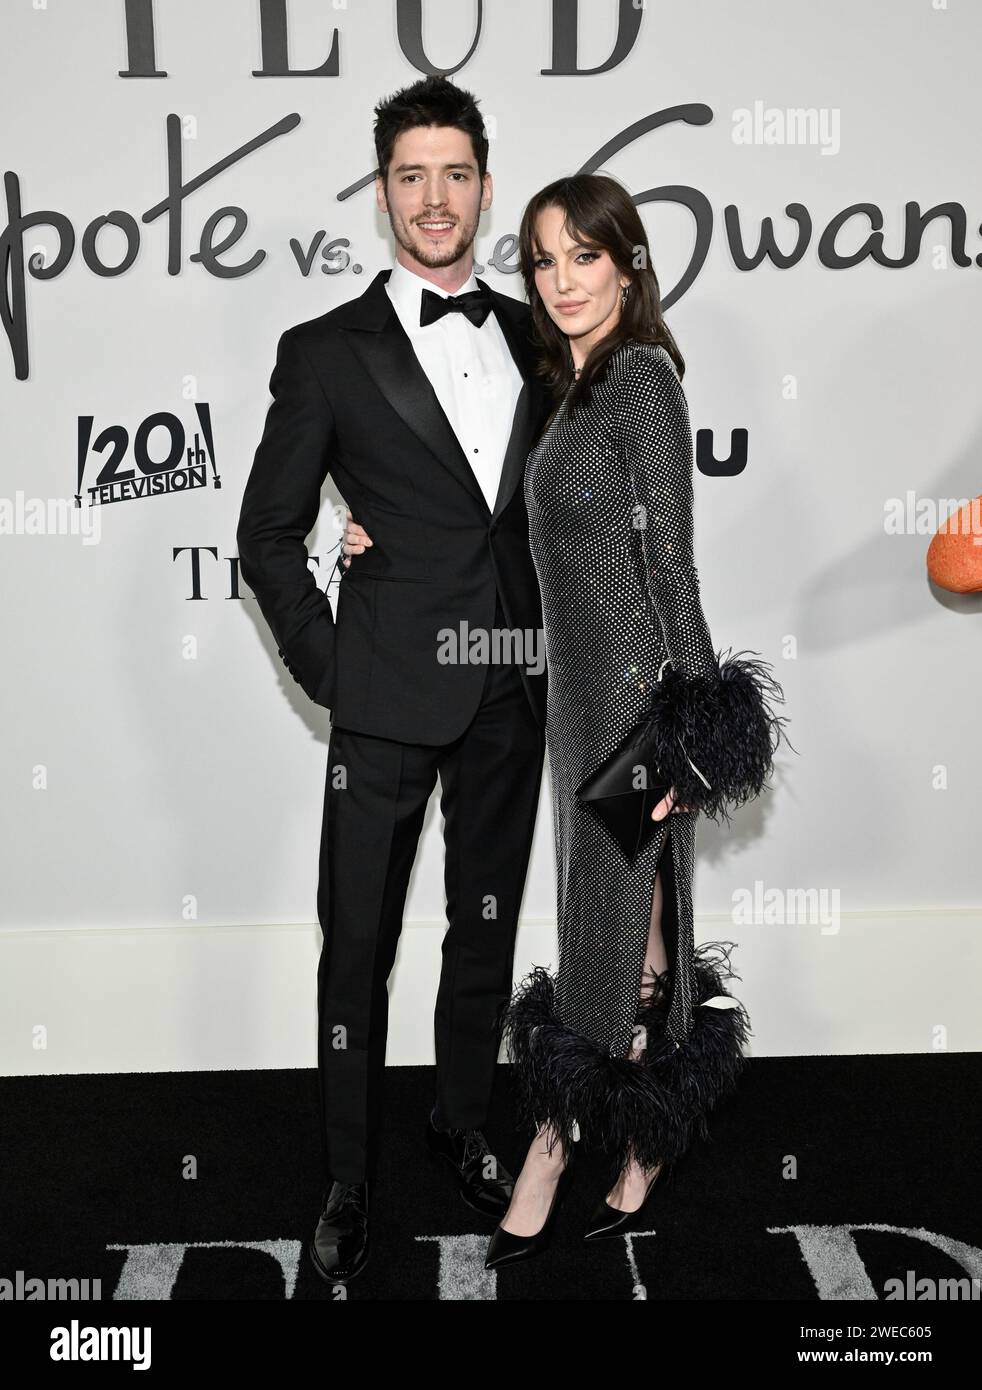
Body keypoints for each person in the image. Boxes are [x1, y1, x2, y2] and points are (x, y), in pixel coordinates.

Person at [344, 173, 792, 1271]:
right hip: (582, 703)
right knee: (637, 921)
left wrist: (693, 727)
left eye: (582, 256)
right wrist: (371, 534)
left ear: (627, 264)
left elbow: (669, 566)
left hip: (640, 707)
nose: (559, 279)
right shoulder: (572, 387)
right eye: (542, 259)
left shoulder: (640, 380)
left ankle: (550, 1148)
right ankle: (644, 1141)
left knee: (603, 921)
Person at [236, 75, 554, 1285]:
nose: (435, 197)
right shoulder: (322, 354)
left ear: (485, 184)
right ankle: (348, 1172)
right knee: (354, 944)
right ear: (382, 195)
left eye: (456, 173)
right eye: (410, 176)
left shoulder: (540, 332)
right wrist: (336, 671)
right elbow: (266, 538)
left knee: (482, 928)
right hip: (382, 695)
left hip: (511, 685)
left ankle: (462, 1122)